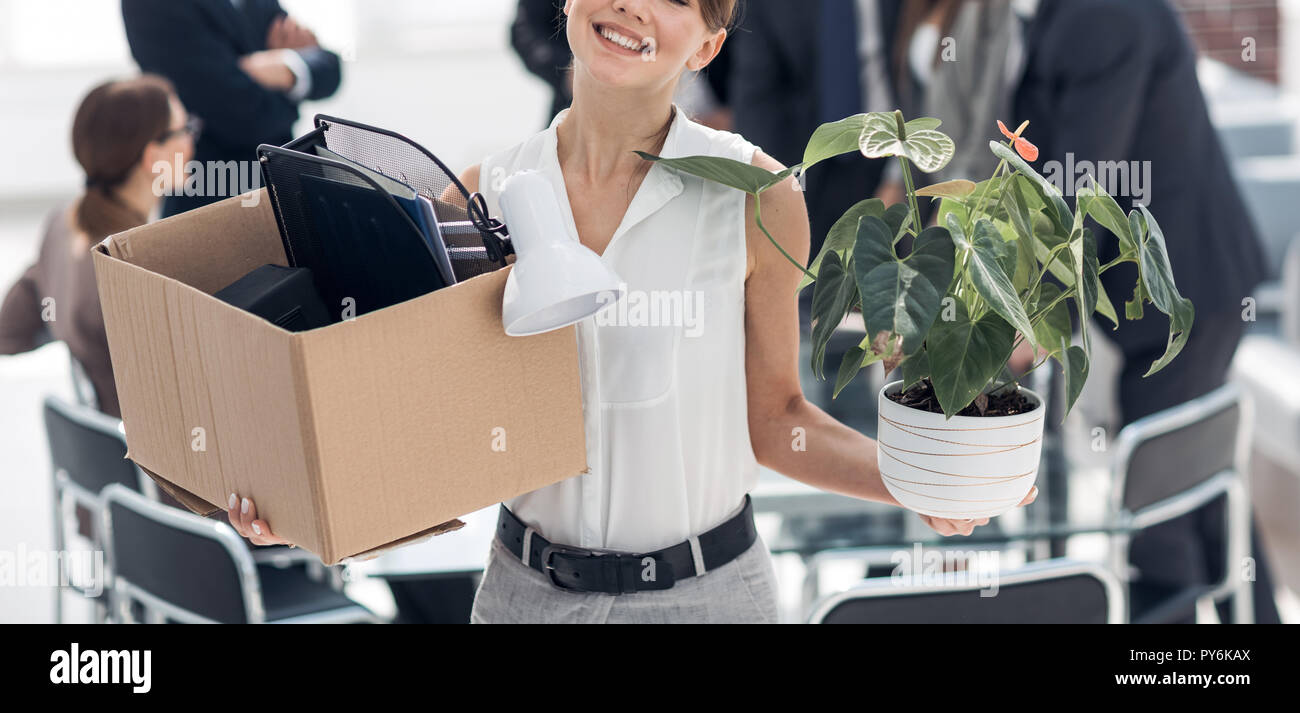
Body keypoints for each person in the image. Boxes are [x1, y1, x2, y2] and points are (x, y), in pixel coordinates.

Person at [226, 0, 1036, 624]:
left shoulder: (755, 197)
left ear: (707, 45)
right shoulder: (477, 195)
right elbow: (435, 432)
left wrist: (920, 482)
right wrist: (300, 505)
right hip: (526, 596)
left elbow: (779, 420)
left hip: (712, 598)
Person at [897, 0, 1279, 623]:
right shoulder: (1060, 13)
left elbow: (1080, 182)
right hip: (1184, 289)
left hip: (1190, 288)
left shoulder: (1104, 15)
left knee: (1160, 523)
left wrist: (1029, 320)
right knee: (1199, 492)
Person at [1, 75, 196, 419]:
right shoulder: (137, 262)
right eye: (183, 130)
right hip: (153, 449)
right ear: (153, 156)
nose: (191, 142)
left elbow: (10, 331)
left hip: (104, 441)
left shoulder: (61, 223)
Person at [121, 0, 342, 217]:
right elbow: (241, 114)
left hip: (287, 192)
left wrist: (287, 67)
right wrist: (290, 96)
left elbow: (330, 67)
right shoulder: (150, 5)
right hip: (212, 201)